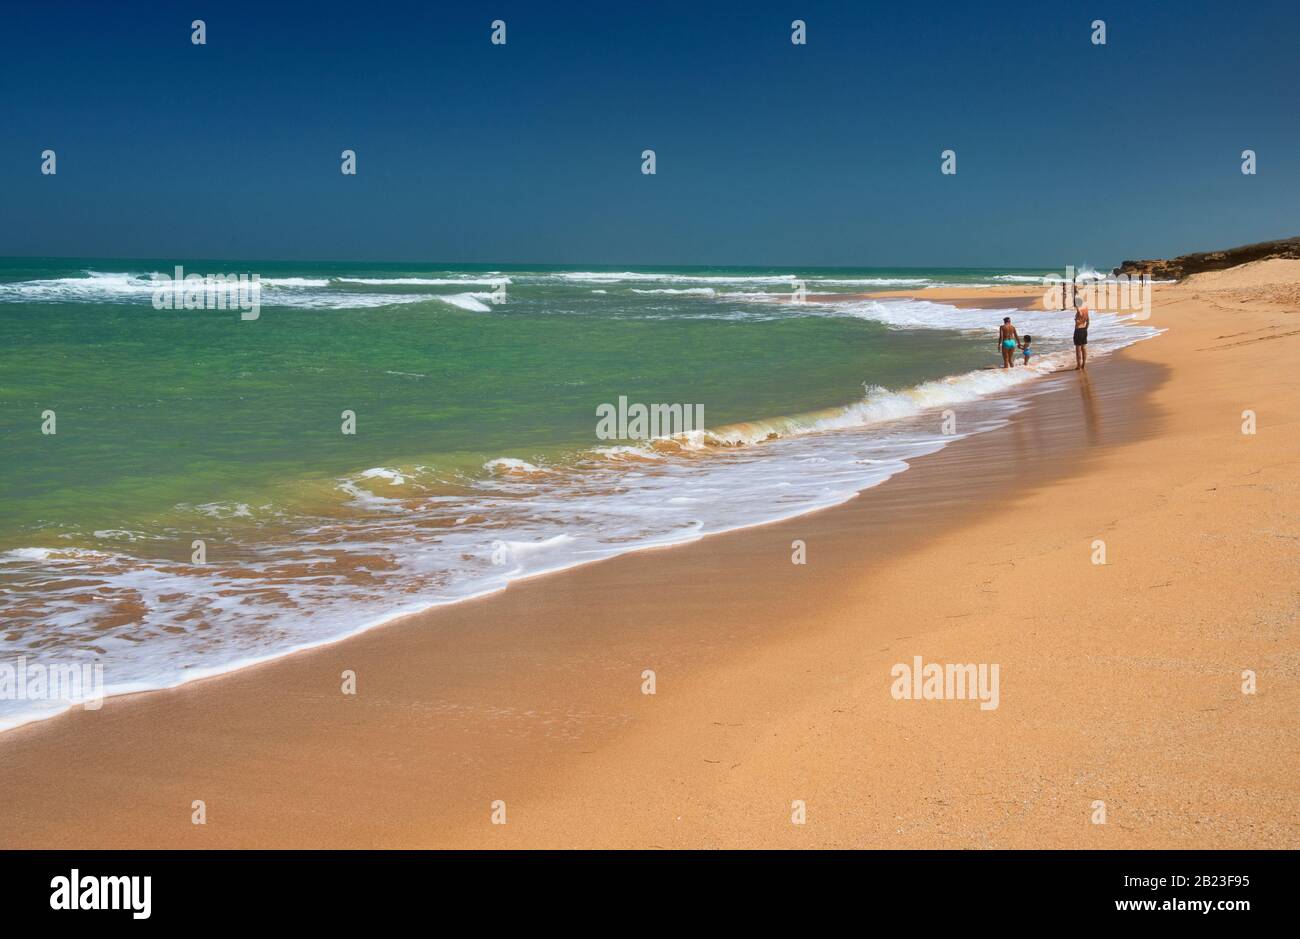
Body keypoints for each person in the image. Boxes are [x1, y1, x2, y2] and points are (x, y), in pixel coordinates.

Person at [1073, 294, 1090, 369]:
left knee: (1078, 349)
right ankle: (1083, 364)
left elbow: (1078, 310)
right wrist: (1086, 328)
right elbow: (1088, 321)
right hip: (1084, 330)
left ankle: (1078, 365)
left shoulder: (1079, 311)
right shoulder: (1086, 309)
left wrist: (1075, 299)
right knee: (1084, 348)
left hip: (1078, 331)